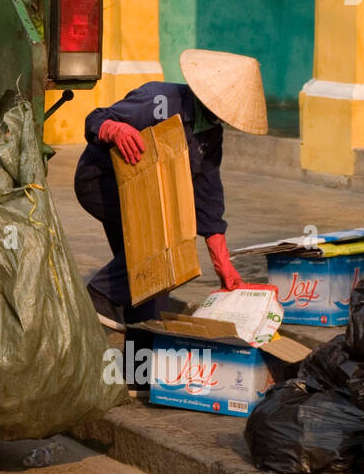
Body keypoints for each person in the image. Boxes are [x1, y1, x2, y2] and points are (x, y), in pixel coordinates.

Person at [74, 49, 267, 353]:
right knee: (159, 251)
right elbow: (96, 118)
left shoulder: (210, 133)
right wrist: (115, 129)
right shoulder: (159, 99)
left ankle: (140, 372)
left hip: (144, 191)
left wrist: (224, 265)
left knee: (154, 287)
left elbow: (208, 198)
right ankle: (99, 294)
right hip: (101, 182)